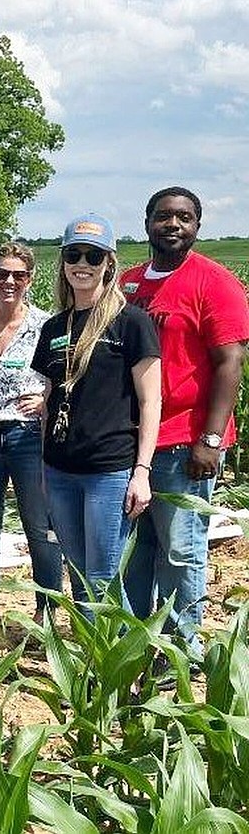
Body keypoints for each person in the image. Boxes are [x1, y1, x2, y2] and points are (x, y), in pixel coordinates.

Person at [122, 187, 249, 656]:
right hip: (132, 441)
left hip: (184, 440)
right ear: (147, 222)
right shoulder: (128, 284)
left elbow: (230, 362)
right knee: (135, 550)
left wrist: (210, 439)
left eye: (184, 217)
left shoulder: (214, 283)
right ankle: (133, 641)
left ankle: (180, 649)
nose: (172, 224)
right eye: (163, 216)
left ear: (197, 225)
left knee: (180, 548)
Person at [31, 213, 160, 607]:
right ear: (63, 262)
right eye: (74, 255)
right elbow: (49, 401)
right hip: (60, 470)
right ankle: (90, 645)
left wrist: (142, 472)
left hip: (109, 470)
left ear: (109, 263)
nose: (82, 264)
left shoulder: (132, 323)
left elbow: (150, 401)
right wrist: (44, 467)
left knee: (102, 578)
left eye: (93, 256)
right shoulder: (54, 328)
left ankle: (118, 649)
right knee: (77, 572)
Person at [0, 243, 61, 628]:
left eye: (18, 275)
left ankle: (47, 608)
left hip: (28, 437)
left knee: (39, 525)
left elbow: (66, 375)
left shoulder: (47, 325)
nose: (9, 281)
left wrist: (47, 400)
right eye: (2, 273)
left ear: (30, 280)